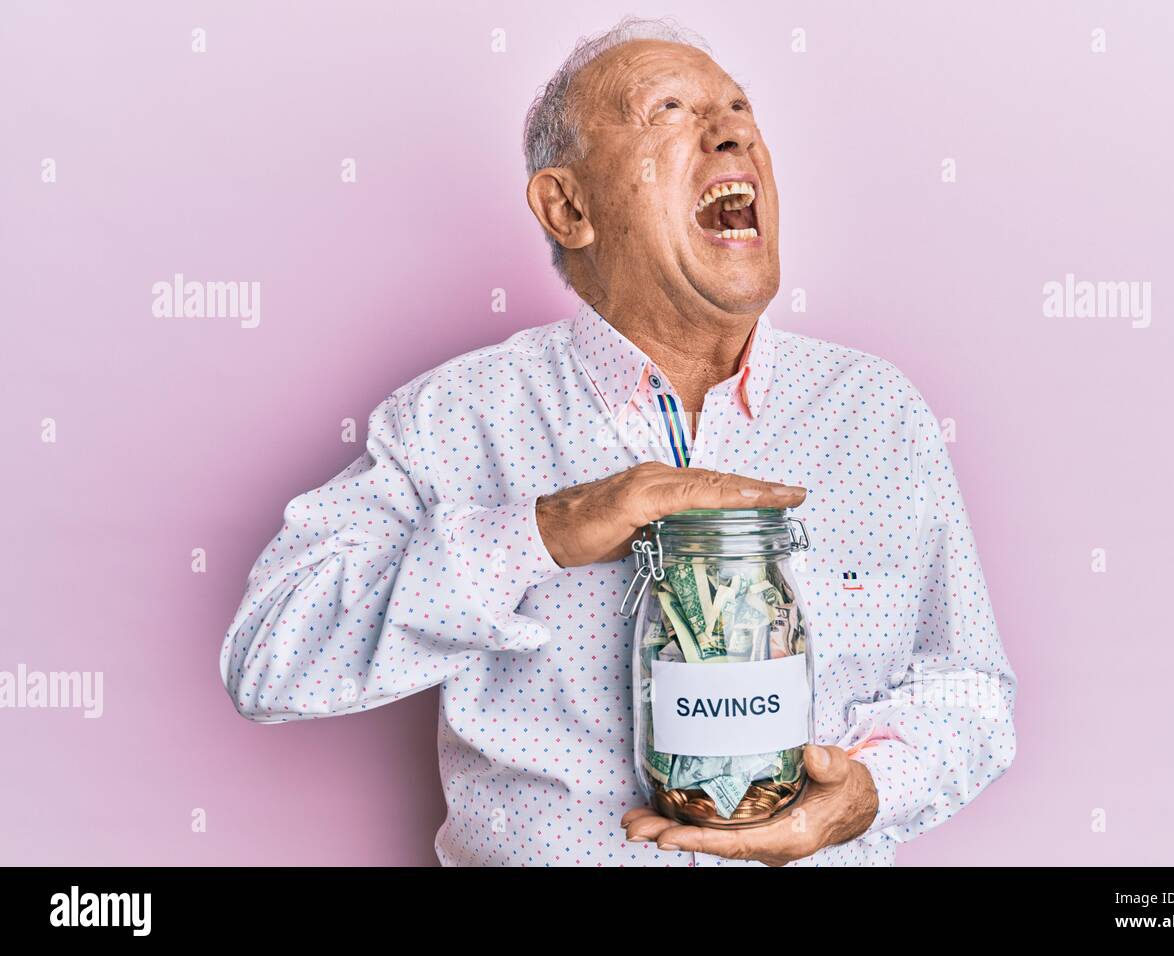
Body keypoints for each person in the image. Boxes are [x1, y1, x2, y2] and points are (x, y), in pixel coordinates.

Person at [220, 16, 1016, 867]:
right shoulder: (457, 417)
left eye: (742, 108)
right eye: (669, 108)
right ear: (569, 207)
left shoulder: (875, 413)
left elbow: (970, 688)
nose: (734, 130)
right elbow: (269, 658)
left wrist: (871, 790)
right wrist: (543, 531)